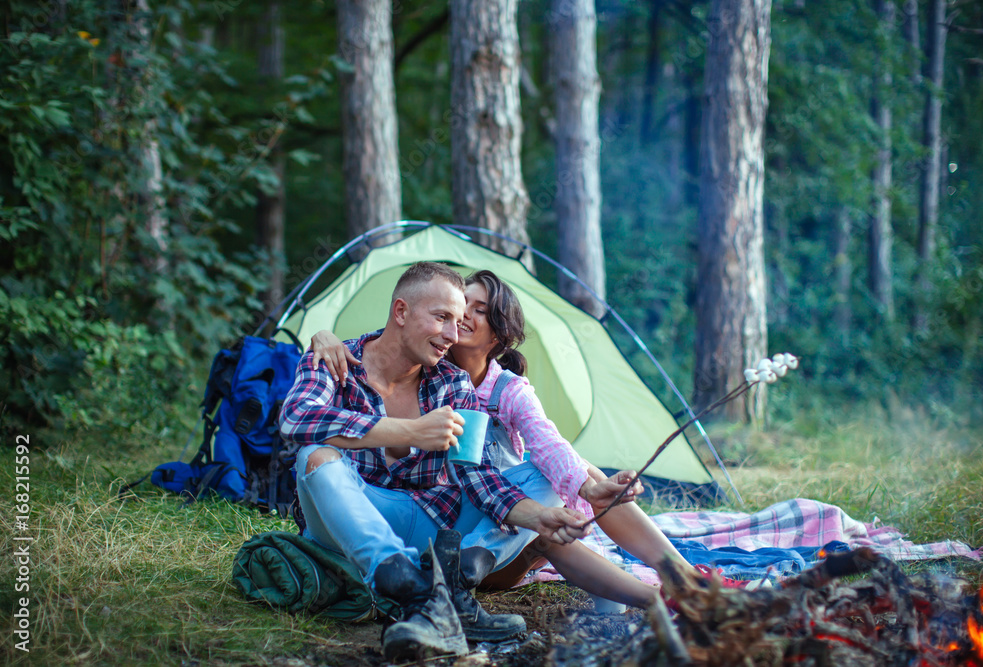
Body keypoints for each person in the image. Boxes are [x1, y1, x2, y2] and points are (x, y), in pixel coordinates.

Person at [311, 269, 749, 610]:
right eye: (457, 308)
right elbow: (388, 340)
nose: (461, 318)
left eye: (478, 310)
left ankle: (678, 582)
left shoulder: (505, 391)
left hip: (499, 523)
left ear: (499, 333)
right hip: (445, 513)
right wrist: (324, 336)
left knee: (572, 479)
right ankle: (665, 595)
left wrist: (584, 488)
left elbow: (547, 446)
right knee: (556, 513)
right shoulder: (423, 366)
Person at [279, 262, 595, 662]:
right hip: (349, 522)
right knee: (315, 455)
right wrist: (410, 431)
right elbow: (296, 419)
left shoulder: (454, 383)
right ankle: (407, 585)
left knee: (546, 478)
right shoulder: (335, 360)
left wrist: (537, 517)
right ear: (401, 311)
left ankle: (453, 587)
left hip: (431, 524)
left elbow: (477, 476)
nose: (453, 335)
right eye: (442, 318)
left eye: (458, 322)